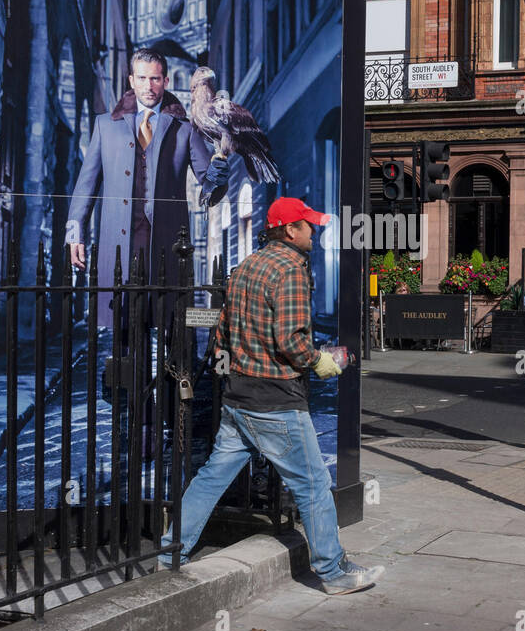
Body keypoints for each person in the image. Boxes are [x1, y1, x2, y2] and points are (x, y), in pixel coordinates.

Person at [160, 197, 384, 595]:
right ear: (289, 230)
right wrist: (320, 361)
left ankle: (169, 553)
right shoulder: (291, 270)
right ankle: (333, 573)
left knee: (211, 477)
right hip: (277, 400)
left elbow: (222, 336)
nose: (313, 231)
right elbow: (291, 339)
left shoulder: (245, 266)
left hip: (238, 398)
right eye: (307, 225)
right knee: (313, 485)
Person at [67, 47, 230, 331]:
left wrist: (219, 171)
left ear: (166, 81)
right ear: (131, 80)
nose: (148, 86)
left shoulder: (185, 128)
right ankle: (124, 376)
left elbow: (210, 188)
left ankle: (166, 376)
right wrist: (74, 232)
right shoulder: (105, 126)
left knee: (170, 328)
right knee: (122, 331)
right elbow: (86, 185)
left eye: (155, 79)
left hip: (166, 245)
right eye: (142, 78)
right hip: (118, 245)